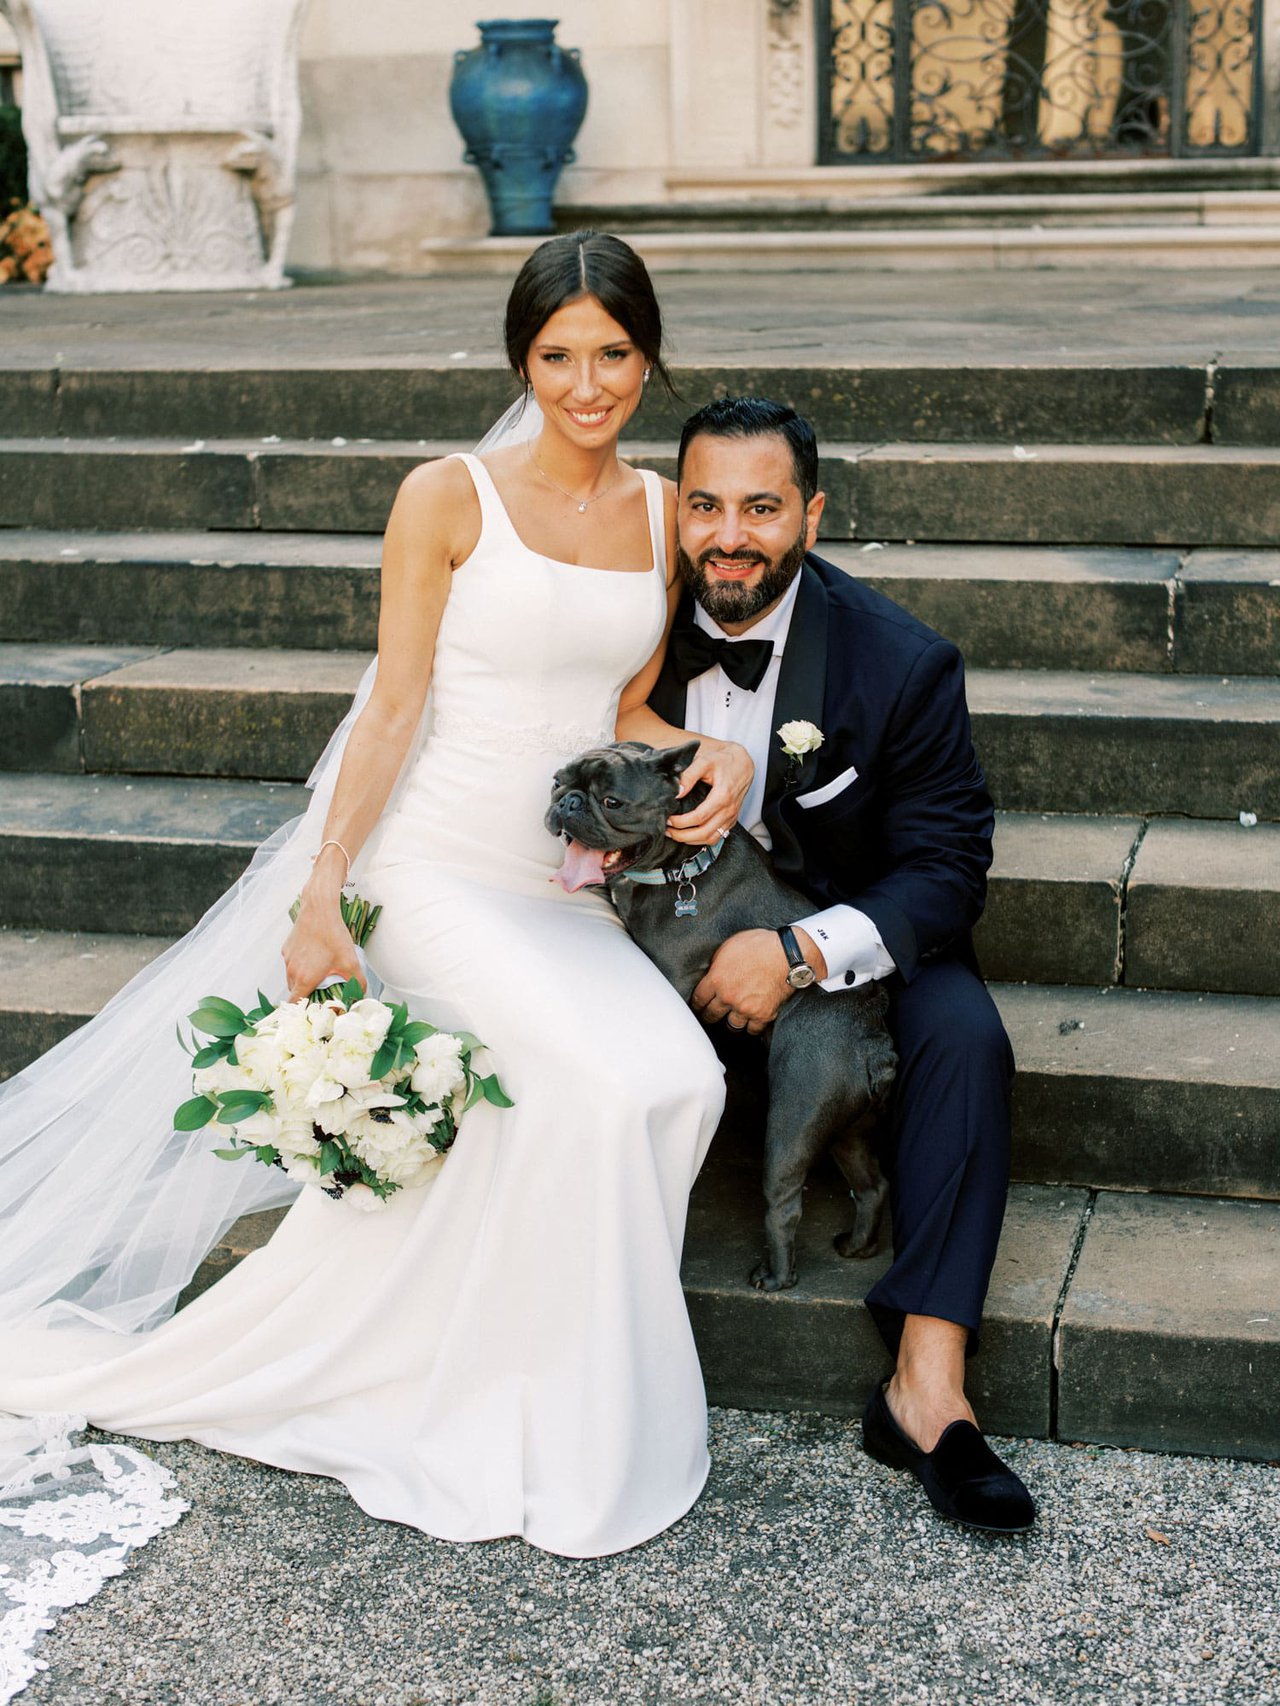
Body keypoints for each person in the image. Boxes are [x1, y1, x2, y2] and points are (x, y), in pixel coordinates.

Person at [0, 233, 756, 1627]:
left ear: (650, 356)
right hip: (433, 869)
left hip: (556, 888)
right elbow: (394, 701)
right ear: (520, 364)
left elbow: (626, 708)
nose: (587, 384)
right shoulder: (447, 495)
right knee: (591, 1085)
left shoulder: (660, 517)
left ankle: (550, 1382)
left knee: (679, 1080)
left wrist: (716, 757)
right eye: (557, 357)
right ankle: (527, 1415)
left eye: (613, 353)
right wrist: (322, 889)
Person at [635, 396, 1036, 1534]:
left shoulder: (899, 662)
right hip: (661, 951)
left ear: (809, 515)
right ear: (674, 508)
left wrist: (802, 952)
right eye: (704, 504)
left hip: (849, 940)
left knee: (963, 1036)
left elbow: (948, 866)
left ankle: (927, 1388)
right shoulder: (629, 627)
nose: (728, 535)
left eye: (760, 508)